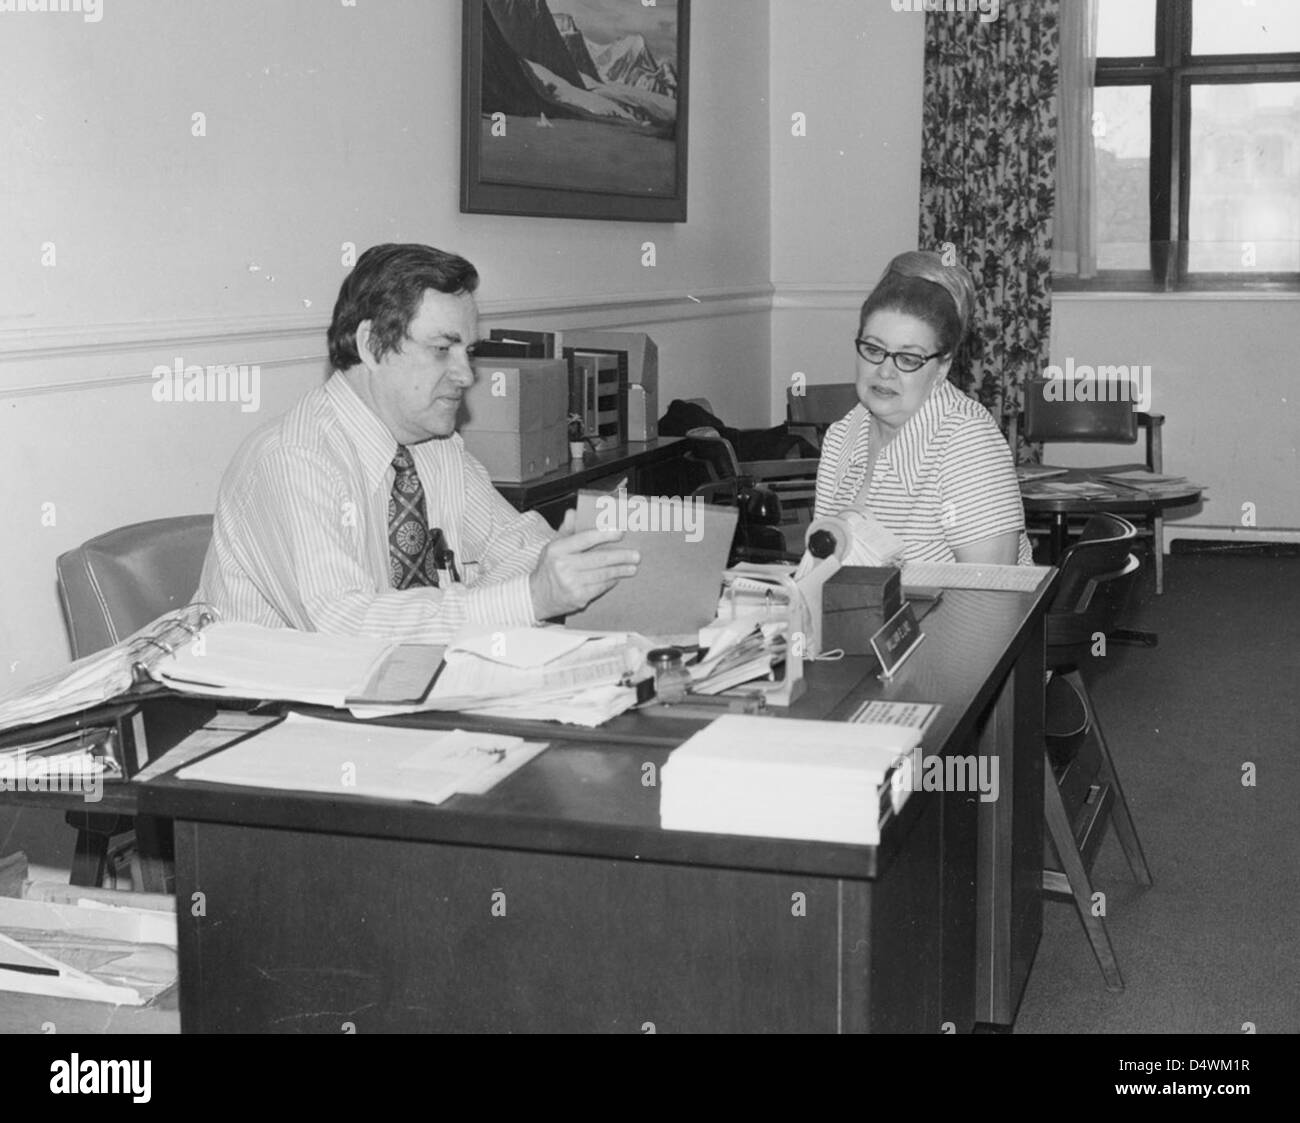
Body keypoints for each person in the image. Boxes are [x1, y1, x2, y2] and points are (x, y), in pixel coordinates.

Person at [197, 243, 639, 641]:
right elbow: (342, 627)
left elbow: (522, 546)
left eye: (470, 352)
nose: (467, 376)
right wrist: (523, 599)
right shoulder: (292, 459)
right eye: (443, 349)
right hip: (265, 710)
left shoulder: (431, 444)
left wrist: (502, 592)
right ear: (372, 345)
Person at [812, 250, 1032, 565]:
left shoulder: (966, 443)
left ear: (943, 366)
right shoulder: (842, 436)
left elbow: (991, 596)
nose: (885, 371)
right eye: (873, 349)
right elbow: (823, 571)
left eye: (909, 358)